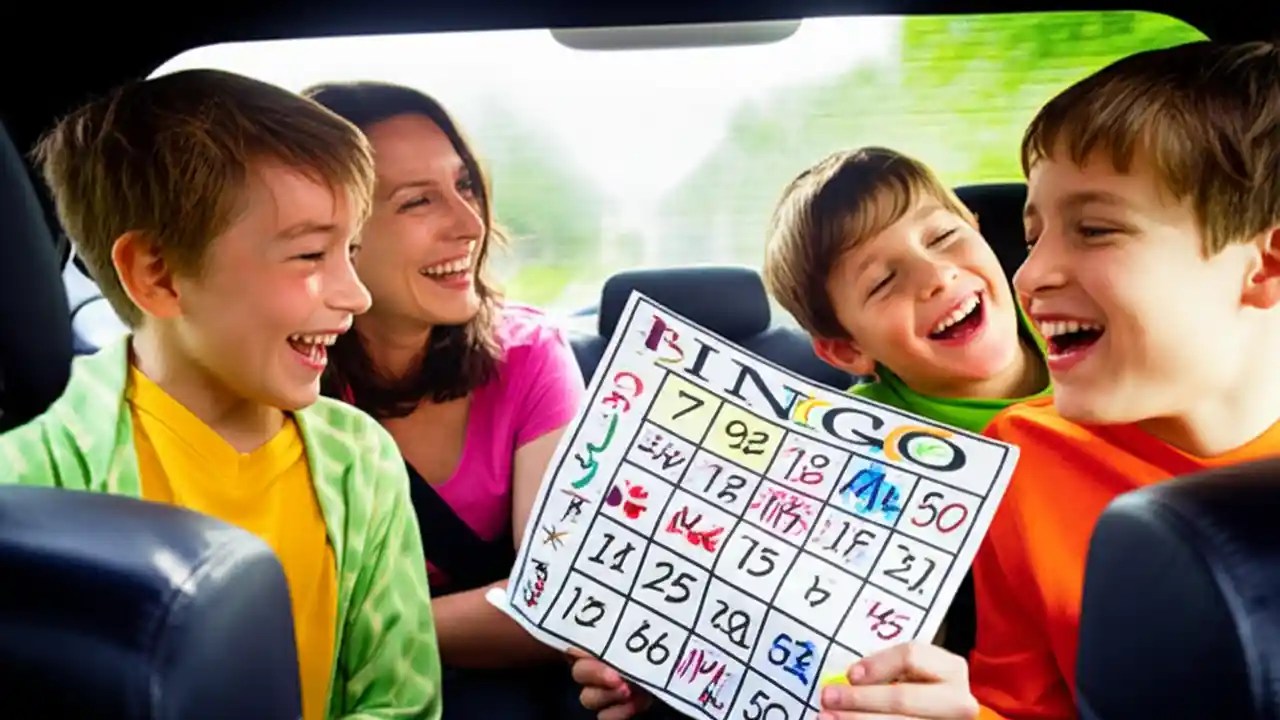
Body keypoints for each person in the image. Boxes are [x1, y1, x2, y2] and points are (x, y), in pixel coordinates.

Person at [818, 39, 1280, 720]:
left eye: (1094, 229)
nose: (1028, 276)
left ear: (1264, 266)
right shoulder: (1024, 458)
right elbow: (1027, 707)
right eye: (1032, 239)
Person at [0, 69, 441, 719]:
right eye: (311, 255)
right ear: (159, 276)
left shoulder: (359, 461)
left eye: (351, 250)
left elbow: (399, 702)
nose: (357, 295)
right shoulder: (37, 464)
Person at [570, 146, 1051, 719]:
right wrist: (669, 664)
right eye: (883, 282)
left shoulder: (1086, 322)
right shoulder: (848, 460)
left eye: (943, 237)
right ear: (847, 350)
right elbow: (804, 626)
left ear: (976, 227)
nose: (935, 275)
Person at [304, 81, 589, 718]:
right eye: (416, 202)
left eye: (464, 187)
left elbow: (564, 595)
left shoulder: (529, 354)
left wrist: (358, 634)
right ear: (331, 233)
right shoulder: (285, 381)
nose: (468, 224)